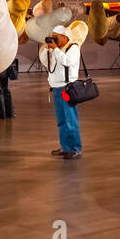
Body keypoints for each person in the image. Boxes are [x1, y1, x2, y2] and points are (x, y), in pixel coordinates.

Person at [38, 23, 84, 160]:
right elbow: (47, 64)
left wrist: (56, 49)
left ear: (64, 37)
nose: (54, 40)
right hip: (57, 89)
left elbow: (67, 62)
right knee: (62, 121)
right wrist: (47, 50)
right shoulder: (56, 50)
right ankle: (65, 148)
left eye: (56, 37)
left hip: (67, 89)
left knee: (70, 120)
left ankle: (76, 148)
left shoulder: (73, 48)